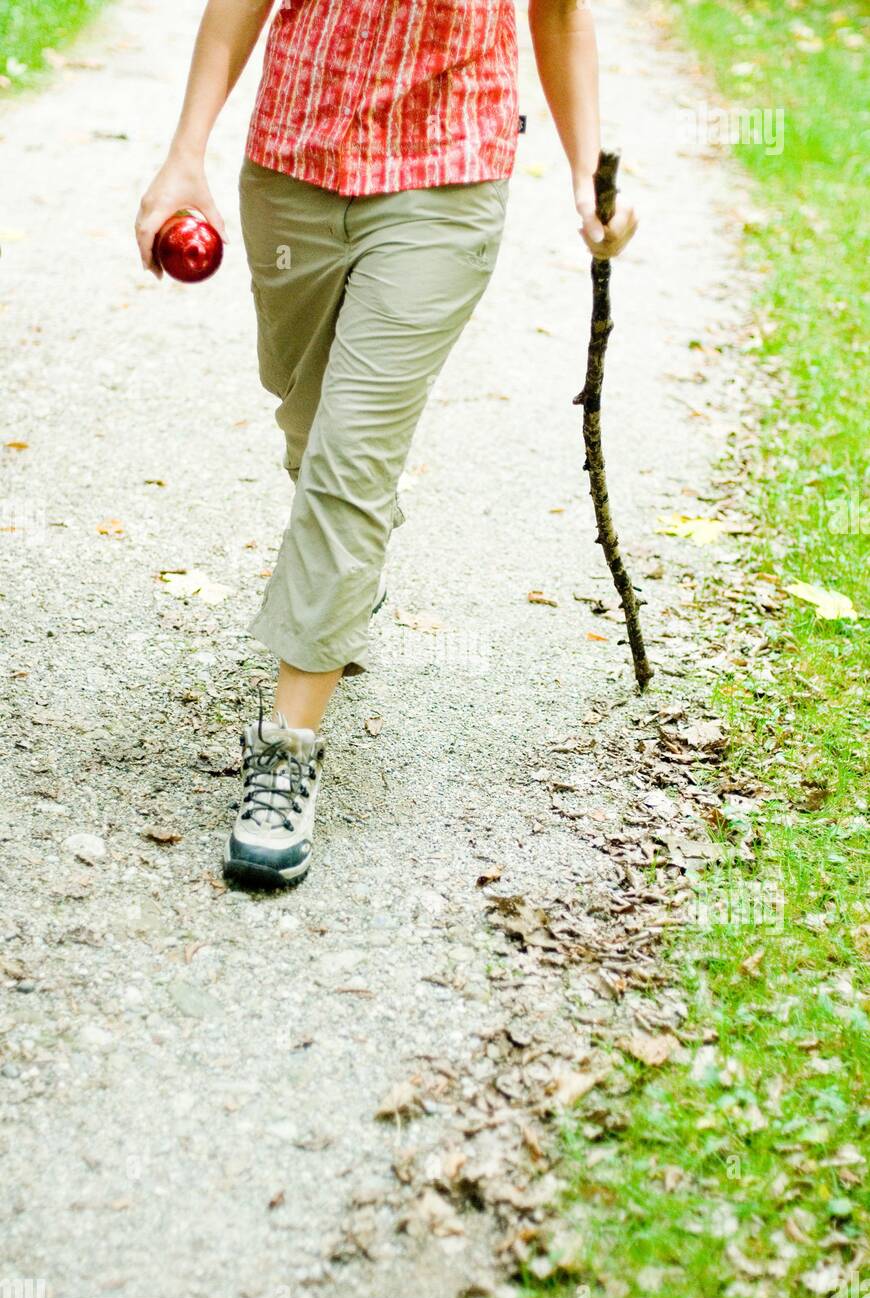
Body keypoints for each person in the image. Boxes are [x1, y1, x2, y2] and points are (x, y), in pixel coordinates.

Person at [135, 0, 637, 889]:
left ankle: (286, 749)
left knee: (349, 460)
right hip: (292, 168)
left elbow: (558, 15)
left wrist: (580, 172)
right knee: (307, 424)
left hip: (443, 188)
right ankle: (344, 583)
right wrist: (186, 153)